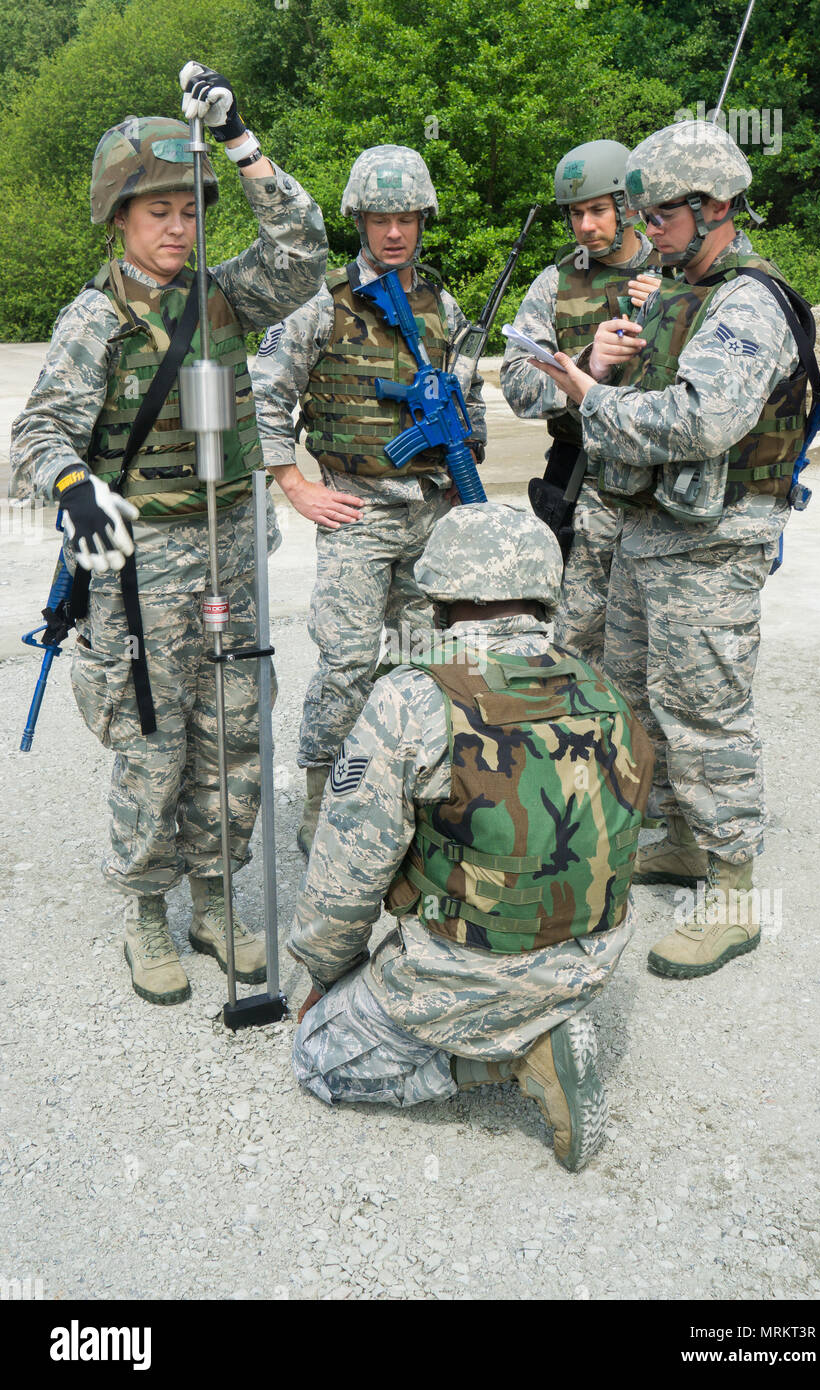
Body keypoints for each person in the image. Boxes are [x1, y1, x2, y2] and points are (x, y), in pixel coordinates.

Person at [10, 63, 328, 1005]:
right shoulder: (93, 320)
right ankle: (149, 911)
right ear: (119, 219)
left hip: (234, 548)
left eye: (189, 210)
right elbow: (37, 434)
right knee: (151, 742)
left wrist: (242, 142)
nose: (179, 228)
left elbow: (304, 251)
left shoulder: (227, 297)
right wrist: (73, 490)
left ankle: (218, 897)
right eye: (158, 213)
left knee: (233, 733)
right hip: (139, 570)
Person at [528, 120, 814, 978]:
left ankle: (733, 891)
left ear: (714, 206)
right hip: (656, 536)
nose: (646, 227)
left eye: (662, 213)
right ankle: (682, 842)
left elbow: (700, 420)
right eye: (644, 212)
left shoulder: (747, 301)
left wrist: (592, 399)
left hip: (712, 546)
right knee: (637, 702)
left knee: (704, 711)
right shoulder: (685, 291)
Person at [288, 504, 654, 1171]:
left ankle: (507, 1060)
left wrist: (323, 973)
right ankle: (548, 1024)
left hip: (465, 971)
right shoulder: (602, 688)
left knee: (315, 1056)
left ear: (439, 596)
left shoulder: (413, 697)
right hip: (589, 963)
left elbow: (346, 873)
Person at [251, 145, 486, 856]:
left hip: (431, 512)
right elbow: (264, 391)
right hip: (355, 511)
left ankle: (414, 795)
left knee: (428, 661)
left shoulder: (443, 305)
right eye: (380, 218)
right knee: (347, 663)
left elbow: (470, 401)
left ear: (422, 219)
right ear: (359, 219)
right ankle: (324, 801)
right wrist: (294, 484)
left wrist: (462, 451)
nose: (393, 233)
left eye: (406, 217)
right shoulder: (321, 304)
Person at [500, 140, 662, 669]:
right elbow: (517, 385)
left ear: (628, 207)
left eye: (597, 210)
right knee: (573, 651)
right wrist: (584, 369)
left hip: (662, 490)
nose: (585, 226)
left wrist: (671, 310)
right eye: (575, 213)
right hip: (583, 482)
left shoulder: (677, 273)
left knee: (654, 655)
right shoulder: (556, 282)